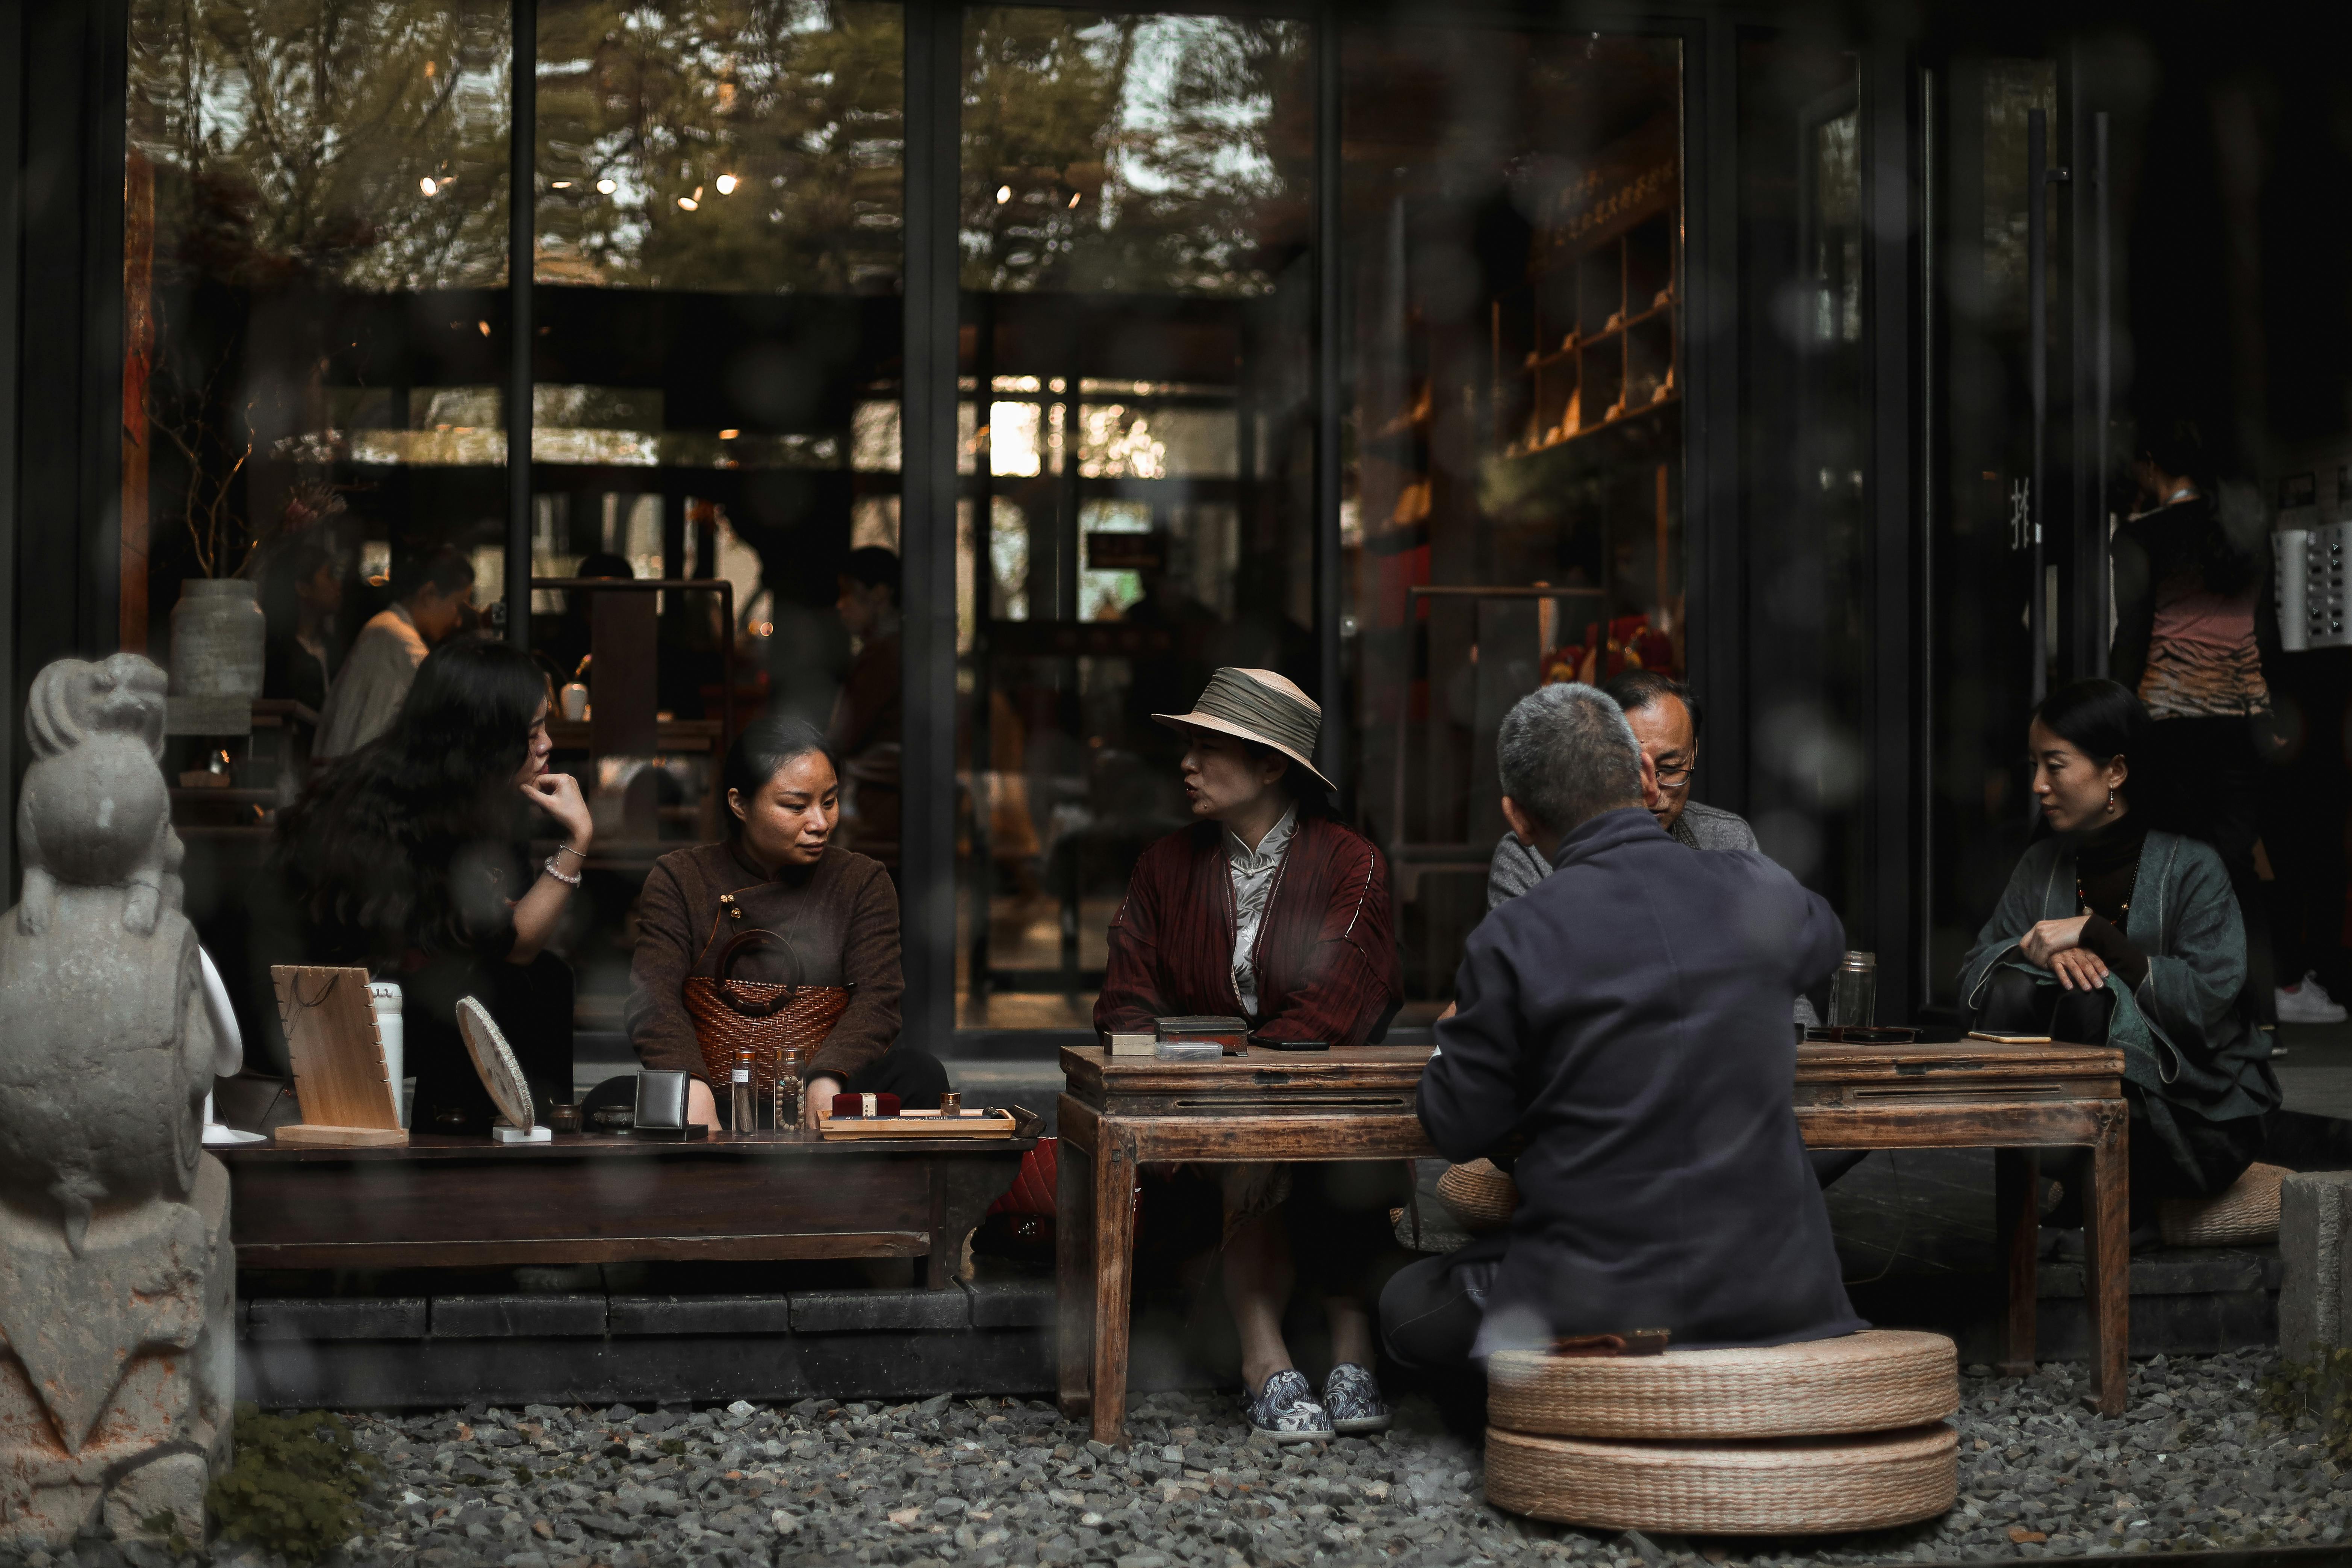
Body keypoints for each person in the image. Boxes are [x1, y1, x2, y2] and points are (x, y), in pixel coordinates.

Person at [1381, 684, 1861, 1430]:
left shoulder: (1515, 939)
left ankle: (1573, 1408)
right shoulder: (1757, 886)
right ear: (1642, 777)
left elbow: (1455, 1124)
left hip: (1599, 1298)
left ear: (1516, 816)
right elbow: (1824, 940)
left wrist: (1463, 1033)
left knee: (1407, 1308)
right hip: (1780, 1295)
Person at [1095, 667, 1405, 1441]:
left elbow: (1339, 1004)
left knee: (1331, 1144)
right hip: (1200, 1117)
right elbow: (1124, 1004)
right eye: (1188, 745)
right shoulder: (1165, 866)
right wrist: (1212, 1080)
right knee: (1241, 1136)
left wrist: (1251, 1081)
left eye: (1208, 746)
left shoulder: (1350, 862)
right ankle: (1263, 1358)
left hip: (1320, 1103)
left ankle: (1350, 1348)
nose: (1187, 763)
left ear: (1273, 766)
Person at [1960, 679, 2279, 1240]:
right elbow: (1972, 973)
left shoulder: (2192, 867)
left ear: (2115, 772)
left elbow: (2208, 1000)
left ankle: (2124, 1202)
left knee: (2092, 998)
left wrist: (2103, 941)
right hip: (2068, 1116)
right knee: (2021, 986)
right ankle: (2077, 1187)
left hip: (2191, 1119)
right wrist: (2027, 949)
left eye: (2054, 765)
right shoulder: (2041, 865)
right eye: (2033, 765)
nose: (2037, 785)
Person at [276, 638, 589, 1129]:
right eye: (531, 734)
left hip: (410, 997)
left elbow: (500, 927)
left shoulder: (471, 796)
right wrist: (578, 839)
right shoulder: (387, 810)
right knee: (516, 981)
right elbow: (514, 942)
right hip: (338, 1020)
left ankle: (502, 1131)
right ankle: (479, 1140)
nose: (547, 744)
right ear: (482, 738)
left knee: (534, 977)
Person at [627, 713, 946, 1130]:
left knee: (920, 1075)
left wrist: (828, 1075)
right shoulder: (681, 878)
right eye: (796, 806)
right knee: (613, 1099)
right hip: (714, 1098)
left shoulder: (861, 881)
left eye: (829, 802)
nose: (820, 823)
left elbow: (878, 1000)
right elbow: (654, 999)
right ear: (739, 803)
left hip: (826, 1095)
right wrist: (691, 1085)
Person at [1482, 669, 1824, 1033]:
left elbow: (1784, 988)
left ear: (1694, 753)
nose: (1653, 792)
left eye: (1671, 769)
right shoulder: (1532, 853)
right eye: (1633, 770)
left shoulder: (1726, 838)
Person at [2108, 418, 2282, 1025]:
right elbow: (2267, 630)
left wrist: (2112, 715)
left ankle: (2181, 1006)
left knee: (2172, 867)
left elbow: (2131, 641)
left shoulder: (2141, 538)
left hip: (2170, 724)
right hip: (2238, 721)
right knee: (2236, 863)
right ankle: (2259, 1013)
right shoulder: (2243, 534)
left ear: (2150, 465)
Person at [314, 546, 477, 758]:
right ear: (429, 594)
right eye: (457, 604)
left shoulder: (387, 626)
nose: (458, 621)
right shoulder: (396, 636)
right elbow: (448, 703)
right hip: (354, 777)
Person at [829, 546, 903, 868]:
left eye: (850, 595)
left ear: (881, 594)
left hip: (878, 802)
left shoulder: (883, 656)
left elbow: (844, 737)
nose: (841, 605)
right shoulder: (896, 648)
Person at [260, 536, 344, 713]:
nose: (338, 585)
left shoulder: (334, 649)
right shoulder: (276, 656)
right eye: (329, 576)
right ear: (303, 587)